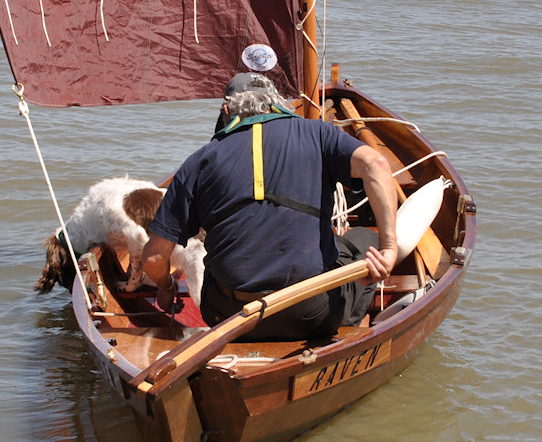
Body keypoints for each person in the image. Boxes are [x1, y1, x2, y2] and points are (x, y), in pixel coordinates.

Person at [142, 73, 398, 341]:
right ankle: (342, 335)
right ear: (276, 104)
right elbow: (376, 165)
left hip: (229, 317)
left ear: (227, 111)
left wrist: (167, 285)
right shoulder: (319, 134)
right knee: (366, 239)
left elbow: (153, 259)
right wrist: (390, 249)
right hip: (311, 314)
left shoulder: (198, 162)